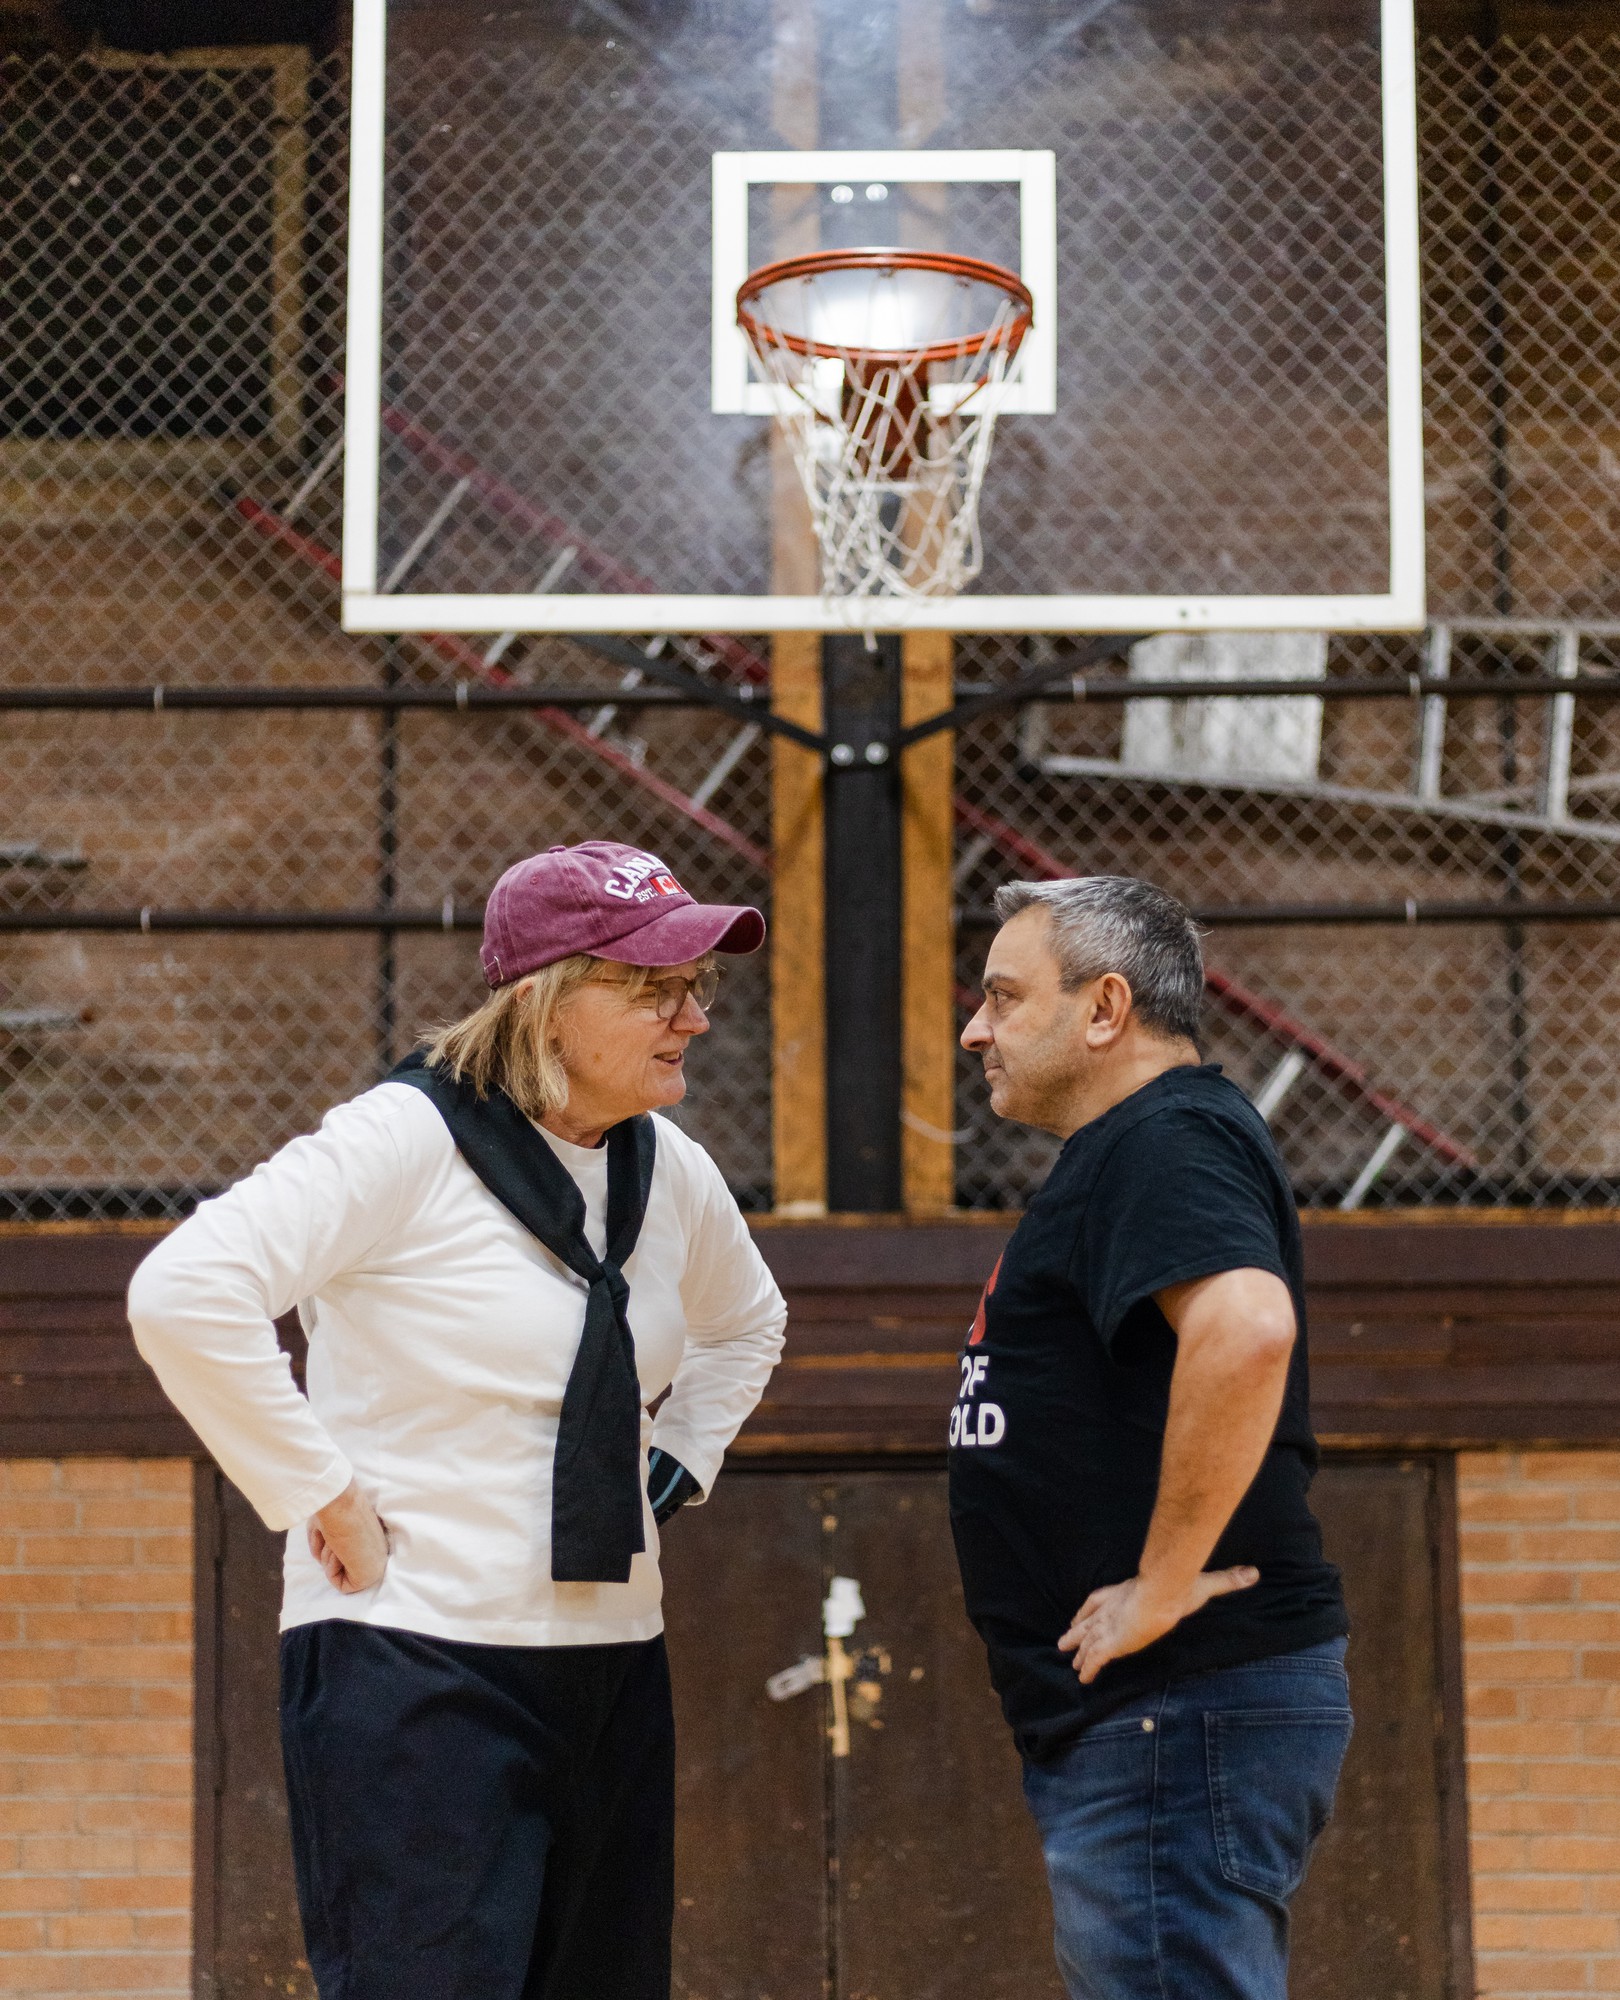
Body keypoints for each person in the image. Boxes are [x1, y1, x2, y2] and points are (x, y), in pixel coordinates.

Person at [127, 841, 787, 2000]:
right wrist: (318, 1489)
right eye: (651, 988)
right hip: (414, 1660)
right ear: (541, 998)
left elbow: (750, 1322)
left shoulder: (670, 1167)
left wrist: (678, 1463)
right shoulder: (406, 1139)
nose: (690, 1016)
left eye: (697, 987)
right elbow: (186, 1291)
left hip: (613, 1665)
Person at [949, 874, 1350, 2000]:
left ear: (1105, 1007)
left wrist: (1162, 1583)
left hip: (1179, 1699)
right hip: (1158, 1713)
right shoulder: (1145, 1141)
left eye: (1003, 995)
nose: (976, 1027)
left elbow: (1247, 1324)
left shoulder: (1163, 1134)